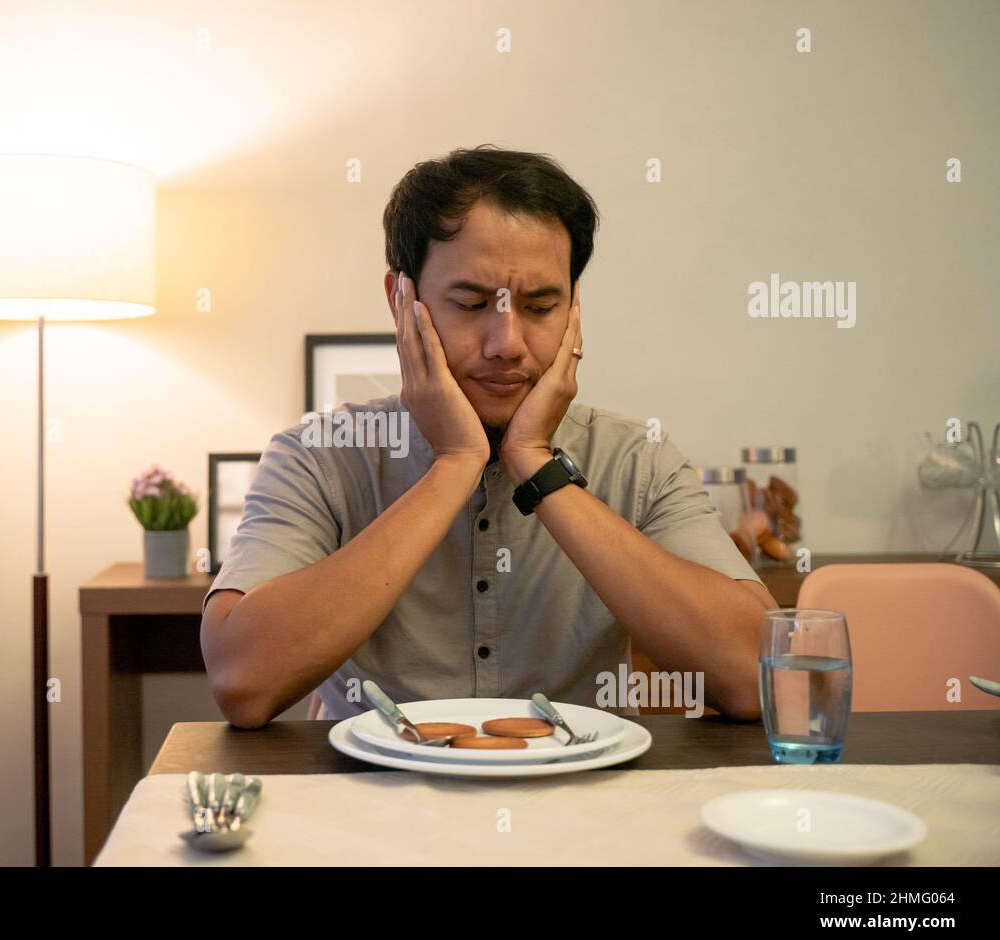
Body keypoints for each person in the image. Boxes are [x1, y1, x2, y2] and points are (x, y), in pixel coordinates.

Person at [201, 145, 776, 727]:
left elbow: (757, 681)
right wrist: (455, 463)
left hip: (580, 799)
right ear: (402, 300)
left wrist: (537, 465)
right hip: (368, 798)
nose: (507, 342)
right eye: (472, 303)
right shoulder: (319, 456)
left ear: (574, 308)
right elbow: (242, 682)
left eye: (541, 305)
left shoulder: (638, 461)